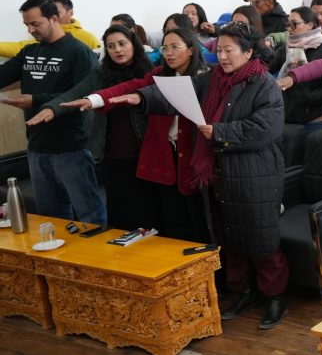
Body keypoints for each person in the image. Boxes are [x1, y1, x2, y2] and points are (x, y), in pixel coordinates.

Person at [116, 22, 289, 329]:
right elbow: (175, 98)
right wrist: (141, 98)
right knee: (230, 236)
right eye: (218, 50)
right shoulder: (211, 80)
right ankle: (244, 291)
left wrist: (219, 131)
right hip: (219, 173)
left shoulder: (264, 84)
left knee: (261, 238)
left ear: (248, 52)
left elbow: (265, 129)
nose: (222, 57)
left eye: (229, 51)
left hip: (255, 173)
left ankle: (275, 298)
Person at [63, 25, 209, 241]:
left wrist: (140, 97)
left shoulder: (207, 76)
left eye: (174, 47)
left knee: (201, 222)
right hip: (168, 157)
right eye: (165, 48)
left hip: (196, 158)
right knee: (173, 221)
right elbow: (132, 86)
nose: (168, 53)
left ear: (190, 49)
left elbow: (148, 93)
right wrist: (94, 99)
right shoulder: (160, 73)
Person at [26, 25, 156, 228]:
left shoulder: (150, 72)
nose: (118, 50)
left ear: (134, 44)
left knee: (147, 210)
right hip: (111, 152)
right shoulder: (101, 72)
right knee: (119, 211)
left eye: (122, 44)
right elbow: (76, 92)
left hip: (144, 152)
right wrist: (51, 108)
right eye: (111, 46)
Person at [0, 0, 105, 224]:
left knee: (90, 216)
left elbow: (83, 94)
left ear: (54, 19)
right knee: (52, 219)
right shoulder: (29, 52)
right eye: (26, 25)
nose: (30, 30)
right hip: (37, 147)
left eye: (35, 24)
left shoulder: (79, 52)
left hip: (71, 148)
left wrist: (36, 100)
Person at [271, 6, 322, 133]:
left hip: (315, 121)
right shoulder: (286, 47)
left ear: (309, 25)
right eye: (288, 24)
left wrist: (308, 97)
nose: (289, 29)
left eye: (294, 24)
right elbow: (267, 66)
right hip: (286, 117)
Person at [0, 0, 100, 57]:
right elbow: (19, 47)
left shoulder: (87, 40)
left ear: (70, 13)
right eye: (27, 25)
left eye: (57, 12)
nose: (30, 30)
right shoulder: (37, 42)